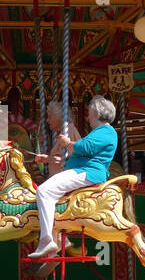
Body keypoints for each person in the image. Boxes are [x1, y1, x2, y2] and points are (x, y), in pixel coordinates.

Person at [28, 96, 119, 259]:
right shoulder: (100, 132)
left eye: (90, 113)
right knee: (50, 198)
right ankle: (53, 242)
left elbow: (85, 147)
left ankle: (47, 239)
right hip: (82, 169)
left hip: (87, 171)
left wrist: (68, 142)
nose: (87, 117)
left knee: (44, 191)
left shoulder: (106, 131)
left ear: (97, 113)